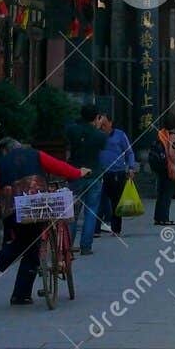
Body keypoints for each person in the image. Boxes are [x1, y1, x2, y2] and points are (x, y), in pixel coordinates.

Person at [0, 137, 89, 305]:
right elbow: (59, 167)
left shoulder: (1, 163)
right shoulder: (35, 155)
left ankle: (20, 293)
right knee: (32, 245)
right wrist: (79, 172)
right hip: (34, 206)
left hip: (12, 210)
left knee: (27, 243)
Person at [69, 103, 107, 253]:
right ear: (96, 117)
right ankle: (86, 246)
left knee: (72, 211)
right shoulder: (100, 135)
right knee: (91, 211)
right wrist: (96, 127)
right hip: (94, 174)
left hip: (75, 173)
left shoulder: (73, 130)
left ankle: (69, 245)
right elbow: (101, 147)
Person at [92, 112, 137, 236]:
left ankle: (116, 229)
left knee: (116, 202)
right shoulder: (97, 135)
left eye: (105, 124)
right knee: (98, 201)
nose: (103, 127)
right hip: (100, 172)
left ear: (111, 123)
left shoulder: (120, 135)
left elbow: (129, 152)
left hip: (117, 172)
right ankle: (95, 229)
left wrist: (131, 167)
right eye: (101, 124)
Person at [149, 112, 175, 225]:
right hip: (169, 166)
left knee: (161, 192)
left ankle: (158, 217)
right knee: (167, 193)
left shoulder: (161, 133)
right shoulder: (172, 135)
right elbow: (171, 152)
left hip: (160, 164)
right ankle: (164, 218)